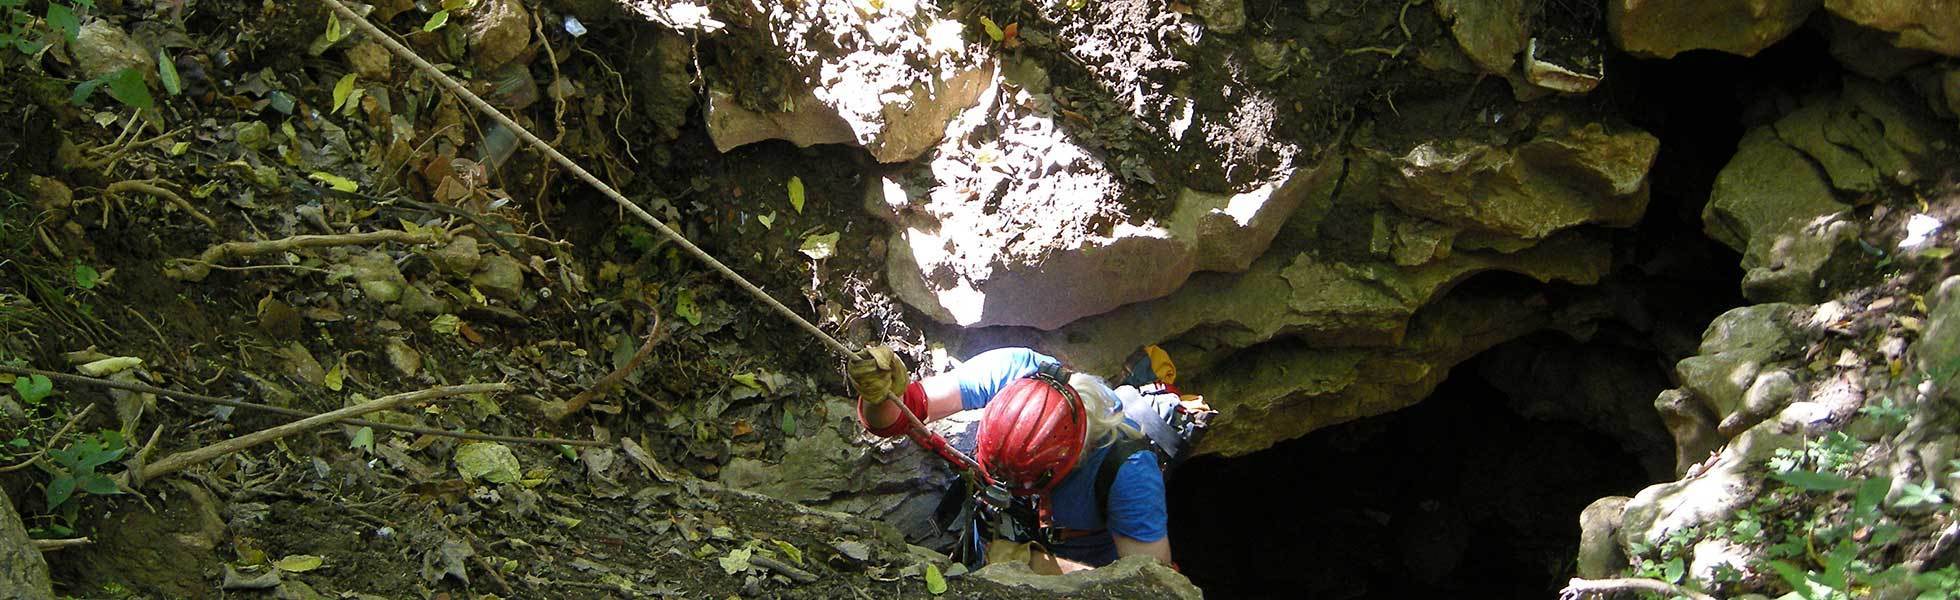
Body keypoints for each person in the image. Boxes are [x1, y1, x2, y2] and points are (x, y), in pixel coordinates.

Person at [849, 345, 1186, 572]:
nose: (1008, 489)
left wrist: (1035, 566)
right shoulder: (1013, 370)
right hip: (994, 549)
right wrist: (880, 395)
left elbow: (1150, 586)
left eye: (1024, 483)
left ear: (1068, 461)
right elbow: (903, 413)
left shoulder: (1128, 473)